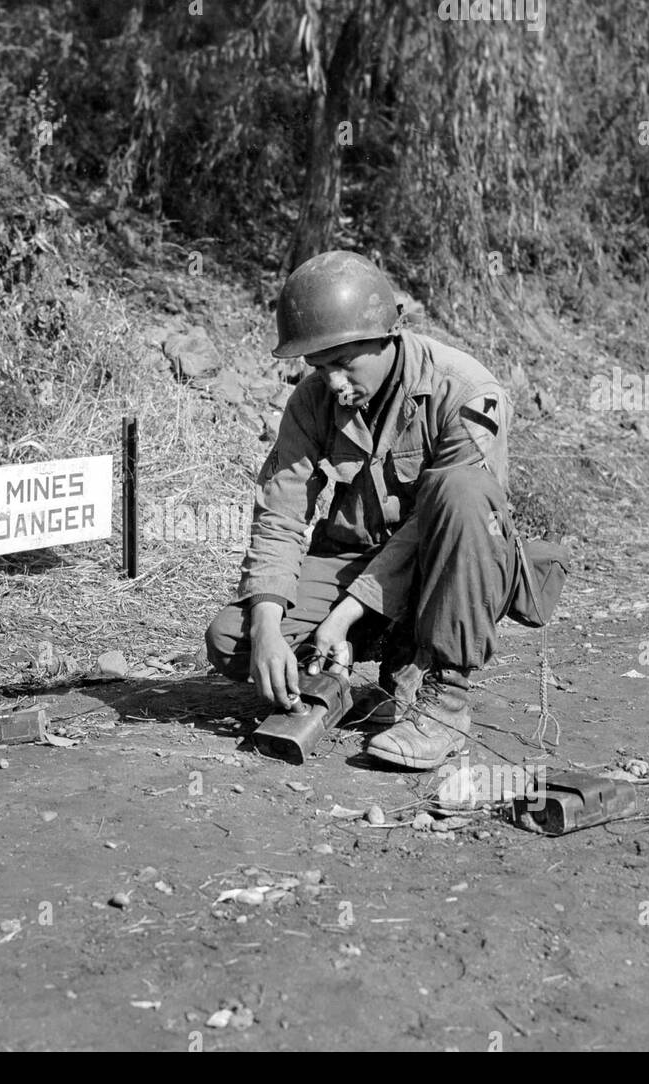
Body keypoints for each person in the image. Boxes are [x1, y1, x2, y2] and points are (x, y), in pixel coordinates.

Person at [205, 250, 519, 769]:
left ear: (388, 337)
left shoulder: (465, 391)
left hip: (442, 567)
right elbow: (281, 516)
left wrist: (346, 613)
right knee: (231, 638)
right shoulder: (313, 402)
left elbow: (452, 525)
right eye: (318, 366)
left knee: (463, 492)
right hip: (355, 559)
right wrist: (265, 628)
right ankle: (343, 679)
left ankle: (446, 702)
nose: (332, 382)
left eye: (344, 363)